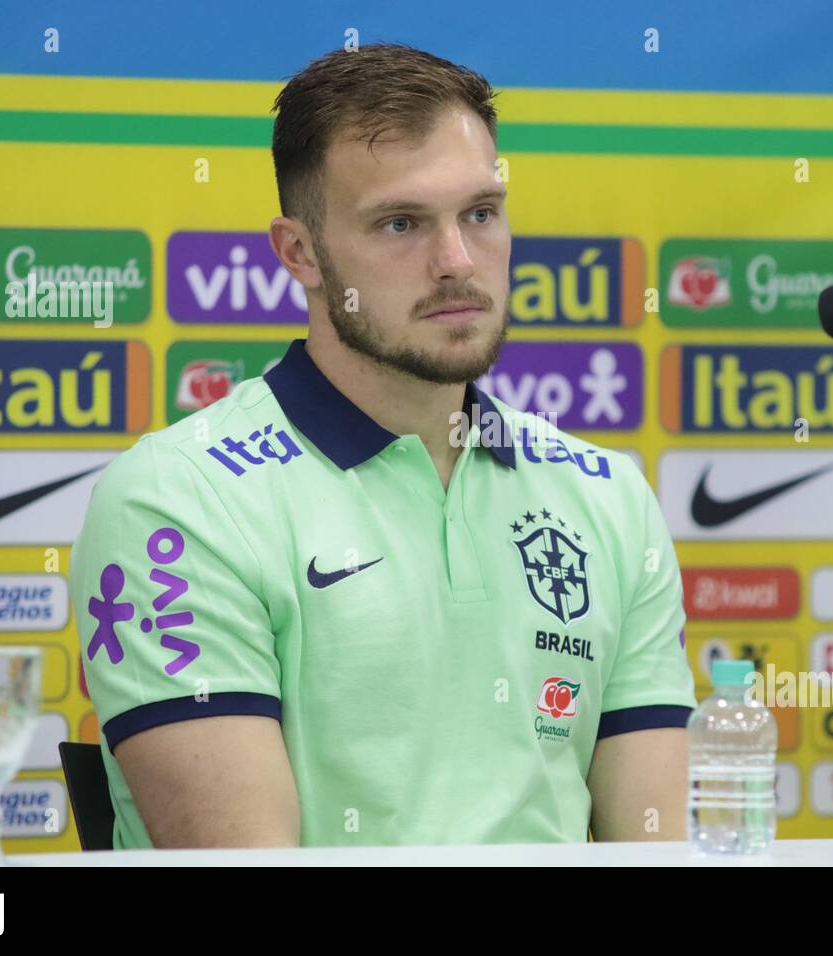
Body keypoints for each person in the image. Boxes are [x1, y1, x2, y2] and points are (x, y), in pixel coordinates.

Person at [68, 43, 695, 849]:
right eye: (401, 223)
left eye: (480, 213)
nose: (457, 263)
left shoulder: (607, 496)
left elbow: (656, 851)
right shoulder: (179, 498)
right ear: (298, 253)